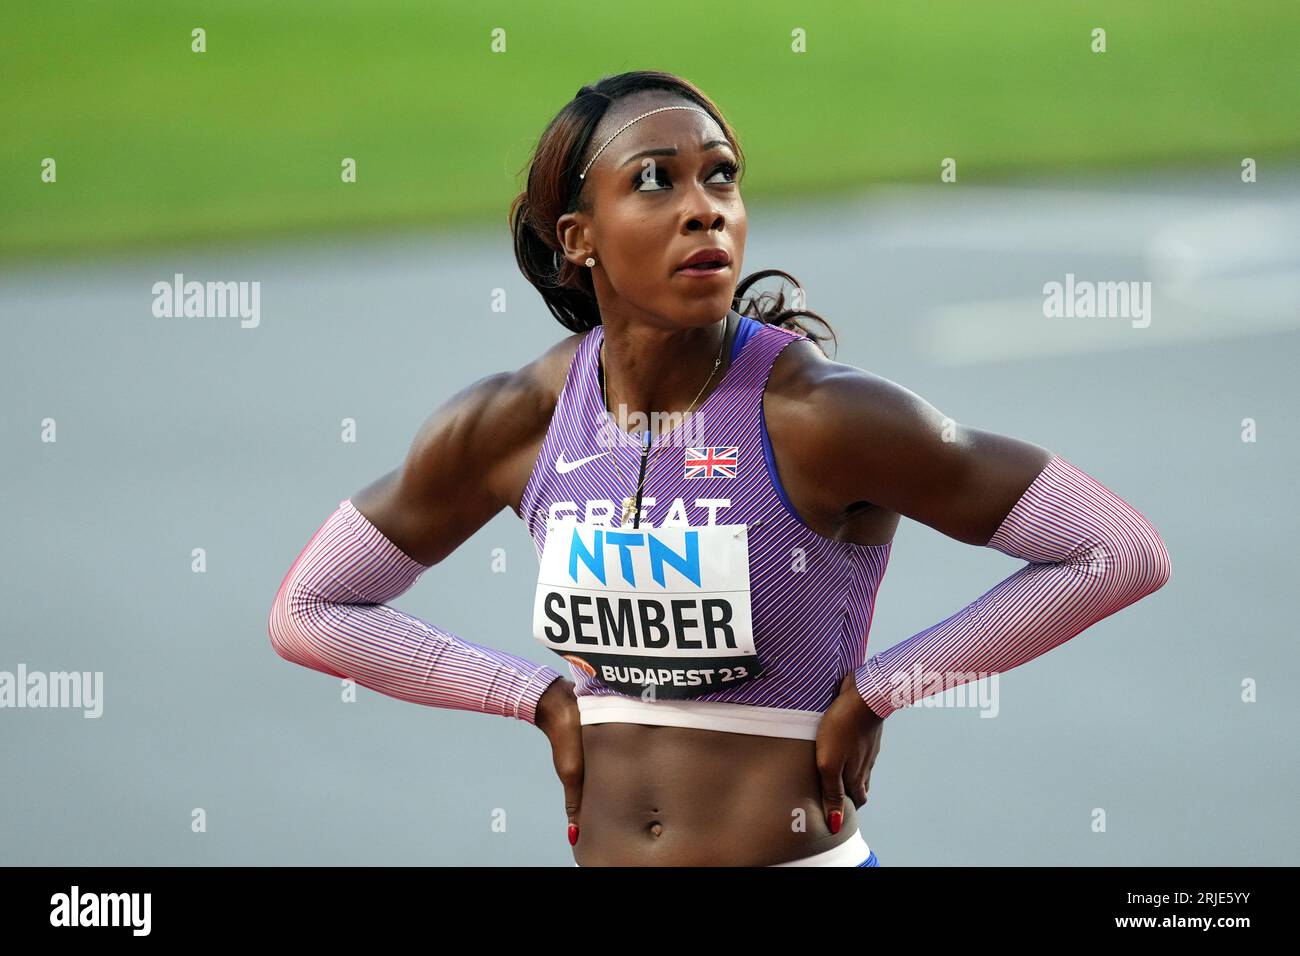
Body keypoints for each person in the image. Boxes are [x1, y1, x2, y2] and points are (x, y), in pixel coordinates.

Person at [267, 70, 1171, 867]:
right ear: (579, 238)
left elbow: (1116, 552)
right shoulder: (517, 422)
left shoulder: (821, 416)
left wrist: (886, 688)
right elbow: (311, 611)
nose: (706, 207)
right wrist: (533, 697)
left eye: (722, 176)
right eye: (655, 180)